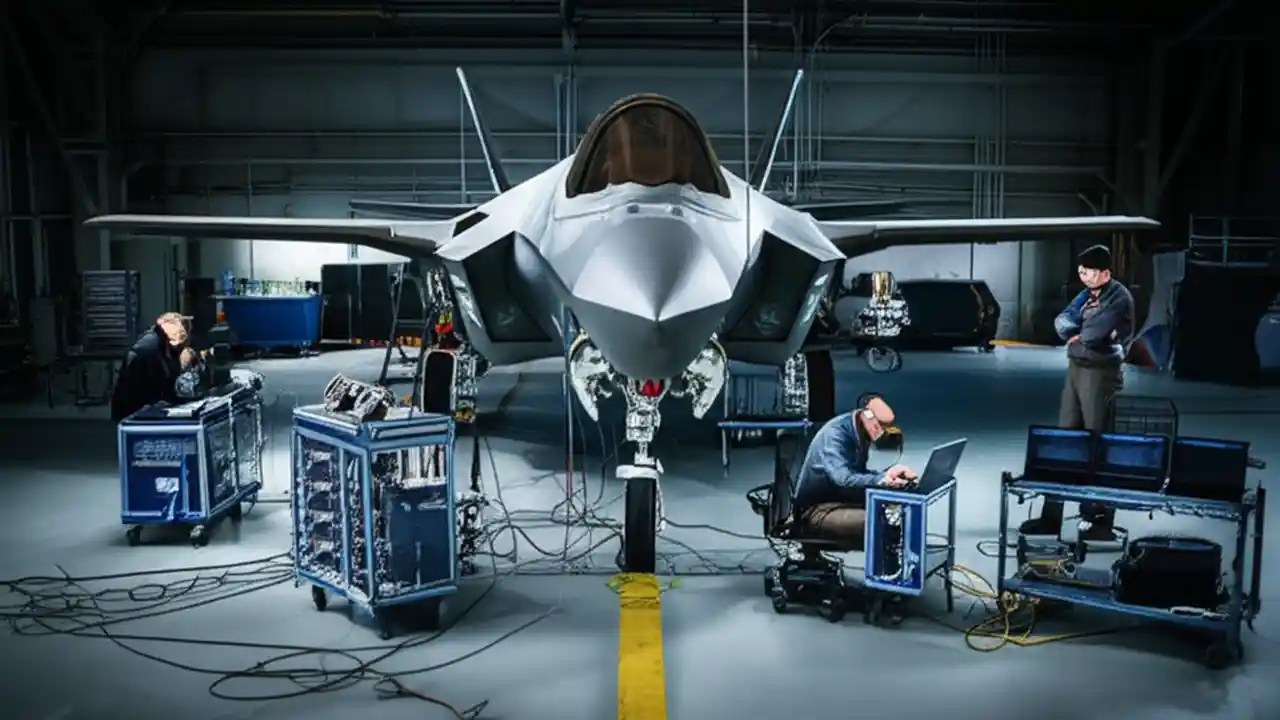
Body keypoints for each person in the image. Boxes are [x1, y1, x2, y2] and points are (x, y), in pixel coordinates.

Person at [1021, 244, 1134, 541]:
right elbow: (1062, 324)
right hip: (1076, 368)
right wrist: (1081, 332)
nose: (1083, 277)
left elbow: (1094, 335)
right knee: (1063, 441)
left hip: (1101, 373)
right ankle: (1051, 518)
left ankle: (1097, 520)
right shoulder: (1087, 293)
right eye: (1081, 272)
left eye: (1089, 272)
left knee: (1097, 442)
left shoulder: (1118, 297)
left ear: (1106, 273)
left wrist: (1081, 333)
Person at [791, 392, 914, 541]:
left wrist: (888, 474)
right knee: (880, 523)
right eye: (880, 426)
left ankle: (891, 562)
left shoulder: (859, 430)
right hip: (816, 509)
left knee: (897, 513)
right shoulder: (835, 435)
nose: (883, 432)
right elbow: (843, 479)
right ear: (867, 415)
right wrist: (882, 479)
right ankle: (884, 564)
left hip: (840, 498)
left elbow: (857, 474)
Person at [110, 312, 199, 422]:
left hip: (140, 408)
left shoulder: (159, 345)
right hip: (135, 412)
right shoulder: (151, 349)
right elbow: (160, 385)